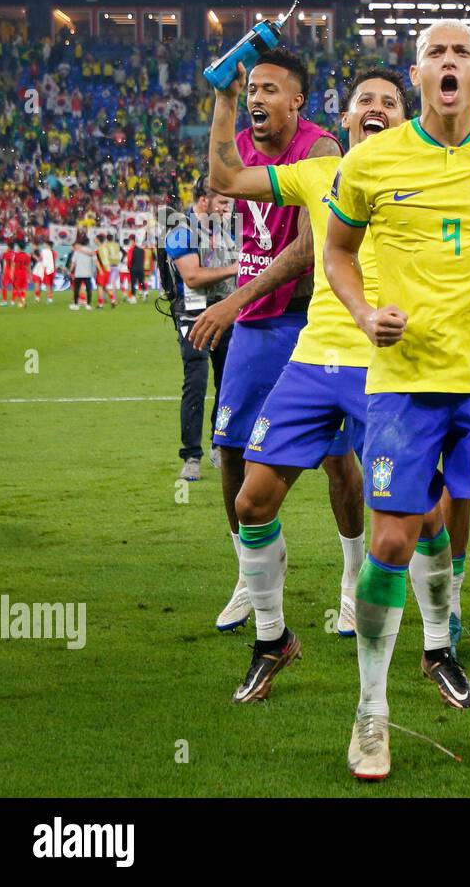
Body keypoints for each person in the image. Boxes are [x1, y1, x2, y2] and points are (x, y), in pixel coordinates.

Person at [199, 63, 470, 706]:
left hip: (392, 364)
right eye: (363, 101)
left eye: (389, 102)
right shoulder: (320, 173)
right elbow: (224, 178)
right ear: (344, 120)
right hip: (313, 359)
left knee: (421, 513)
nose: (376, 108)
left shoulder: (431, 171)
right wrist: (226, 98)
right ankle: (272, 640)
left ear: (407, 119)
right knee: (251, 502)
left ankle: (438, 647)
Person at [324, 19, 470, 778]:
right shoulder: (372, 161)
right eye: (435, 54)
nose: (448, 63)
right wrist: (363, 315)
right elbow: (338, 253)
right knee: (390, 542)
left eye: (462, 53)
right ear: (416, 74)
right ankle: (371, 712)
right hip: (405, 381)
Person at [202, 48, 348, 634]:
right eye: (252, 89)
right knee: (231, 450)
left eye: (269, 90)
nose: (258, 98)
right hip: (256, 326)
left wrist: (234, 297)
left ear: (297, 102)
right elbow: (219, 179)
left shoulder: (322, 150)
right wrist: (225, 97)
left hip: (306, 317)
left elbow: (314, 245)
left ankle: (352, 573)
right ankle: (251, 574)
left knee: (340, 461)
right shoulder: (238, 148)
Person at [160, 190, 239, 483]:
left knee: (228, 380)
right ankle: (191, 456)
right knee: (196, 381)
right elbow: (191, 277)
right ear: (203, 201)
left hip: (225, 310)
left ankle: (219, 444)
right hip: (193, 315)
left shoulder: (227, 230)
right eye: (222, 203)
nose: (226, 209)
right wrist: (235, 267)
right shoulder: (181, 232)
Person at [68, 239, 96, 309]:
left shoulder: (77, 251)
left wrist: (70, 271)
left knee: (76, 289)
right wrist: (95, 271)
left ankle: (76, 305)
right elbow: (95, 261)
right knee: (89, 289)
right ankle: (88, 305)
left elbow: (73, 263)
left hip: (78, 273)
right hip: (88, 273)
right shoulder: (91, 251)